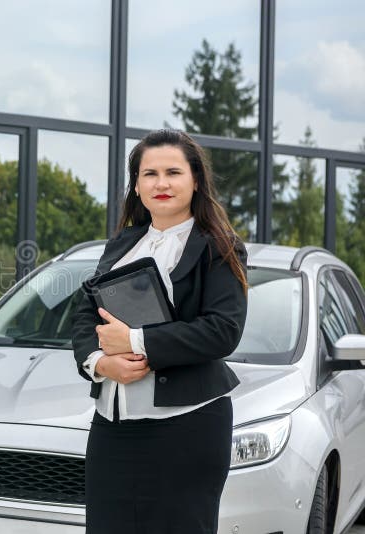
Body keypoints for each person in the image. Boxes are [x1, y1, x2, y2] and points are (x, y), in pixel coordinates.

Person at [71, 129, 248, 533]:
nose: (161, 183)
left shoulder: (218, 245)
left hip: (187, 428)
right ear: (136, 185)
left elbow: (224, 330)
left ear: (196, 180)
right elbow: (84, 316)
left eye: (173, 172)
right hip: (111, 430)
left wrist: (136, 342)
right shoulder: (121, 244)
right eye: (149, 173)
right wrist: (100, 362)